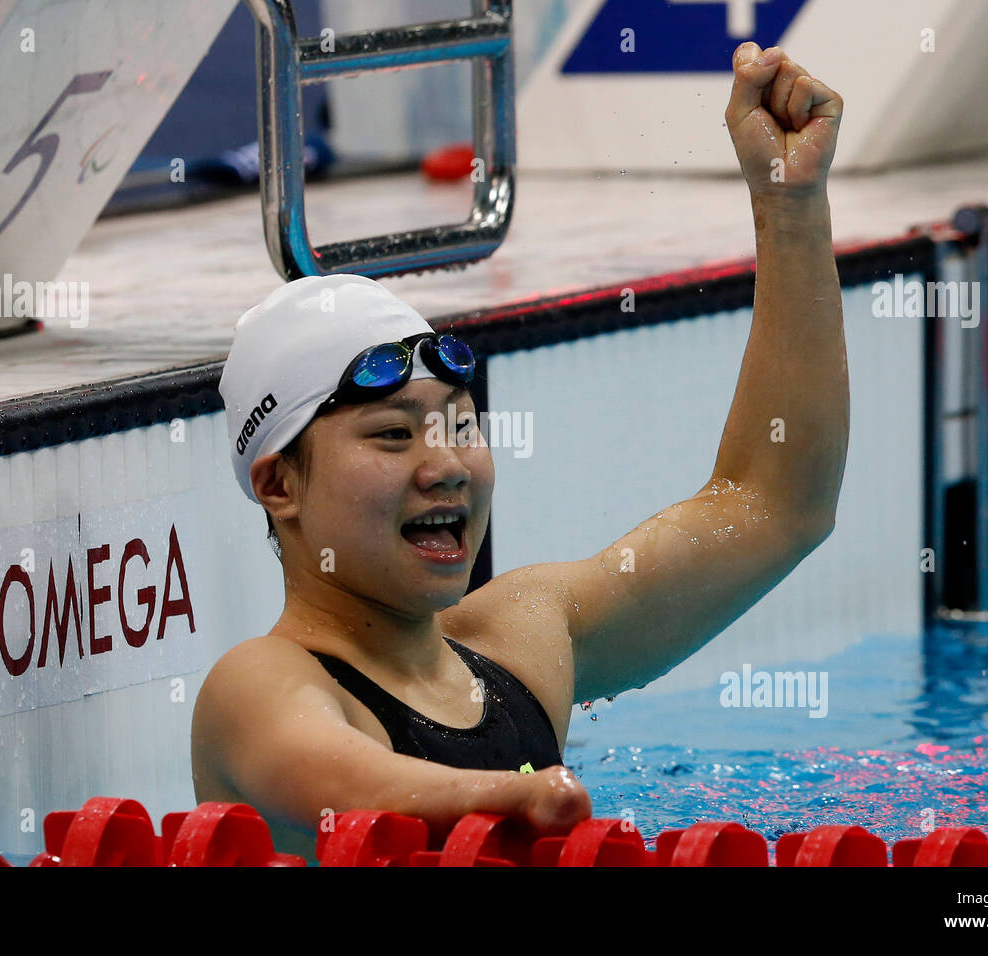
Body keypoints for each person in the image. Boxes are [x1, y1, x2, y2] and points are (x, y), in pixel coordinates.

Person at [192, 41, 848, 863]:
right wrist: (518, 793)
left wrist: (789, 207)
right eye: (394, 434)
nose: (446, 465)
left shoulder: (524, 637)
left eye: (461, 425)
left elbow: (776, 503)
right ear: (279, 483)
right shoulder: (259, 687)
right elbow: (343, 783)